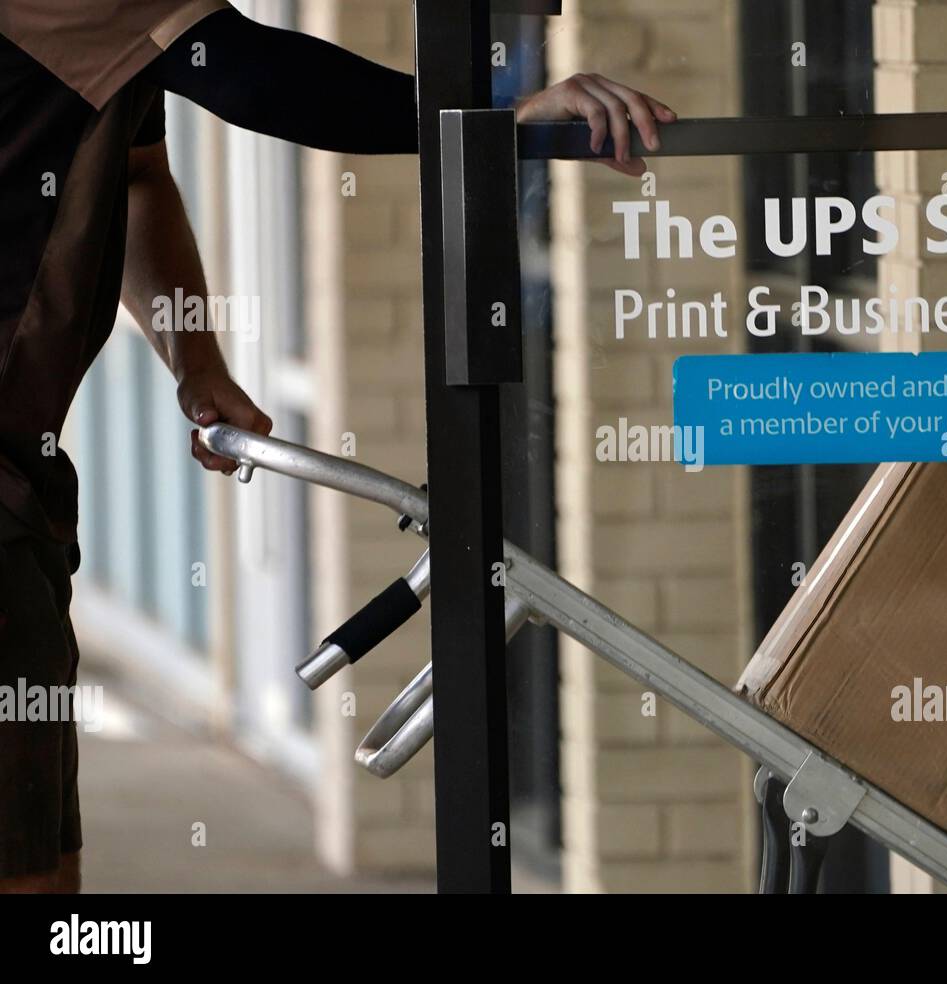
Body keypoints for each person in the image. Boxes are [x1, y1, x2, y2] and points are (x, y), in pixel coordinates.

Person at [0, 0, 674, 893]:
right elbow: (255, 77)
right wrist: (495, 123)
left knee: (41, 862)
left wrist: (193, 358)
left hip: (25, 486)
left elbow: (136, 178)